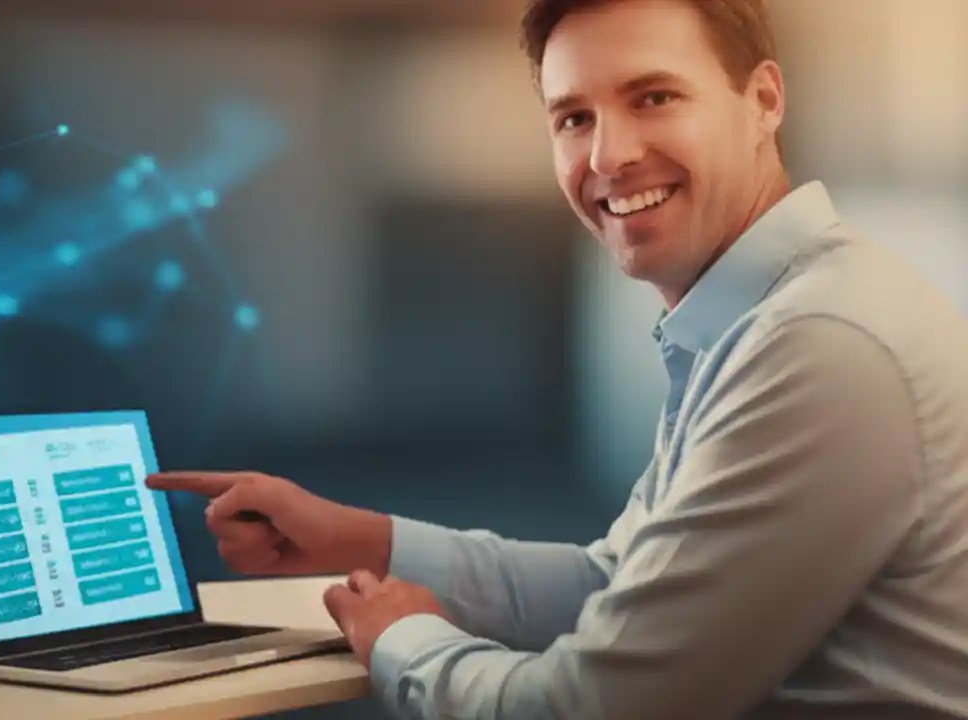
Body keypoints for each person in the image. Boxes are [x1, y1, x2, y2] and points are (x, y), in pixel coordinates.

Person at [149, 0, 968, 717]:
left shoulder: (818, 347)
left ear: (762, 101)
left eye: (654, 97)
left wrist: (405, 641)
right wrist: (360, 540)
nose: (608, 157)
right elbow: (620, 583)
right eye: (574, 118)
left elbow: (590, 707)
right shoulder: (766, 317)